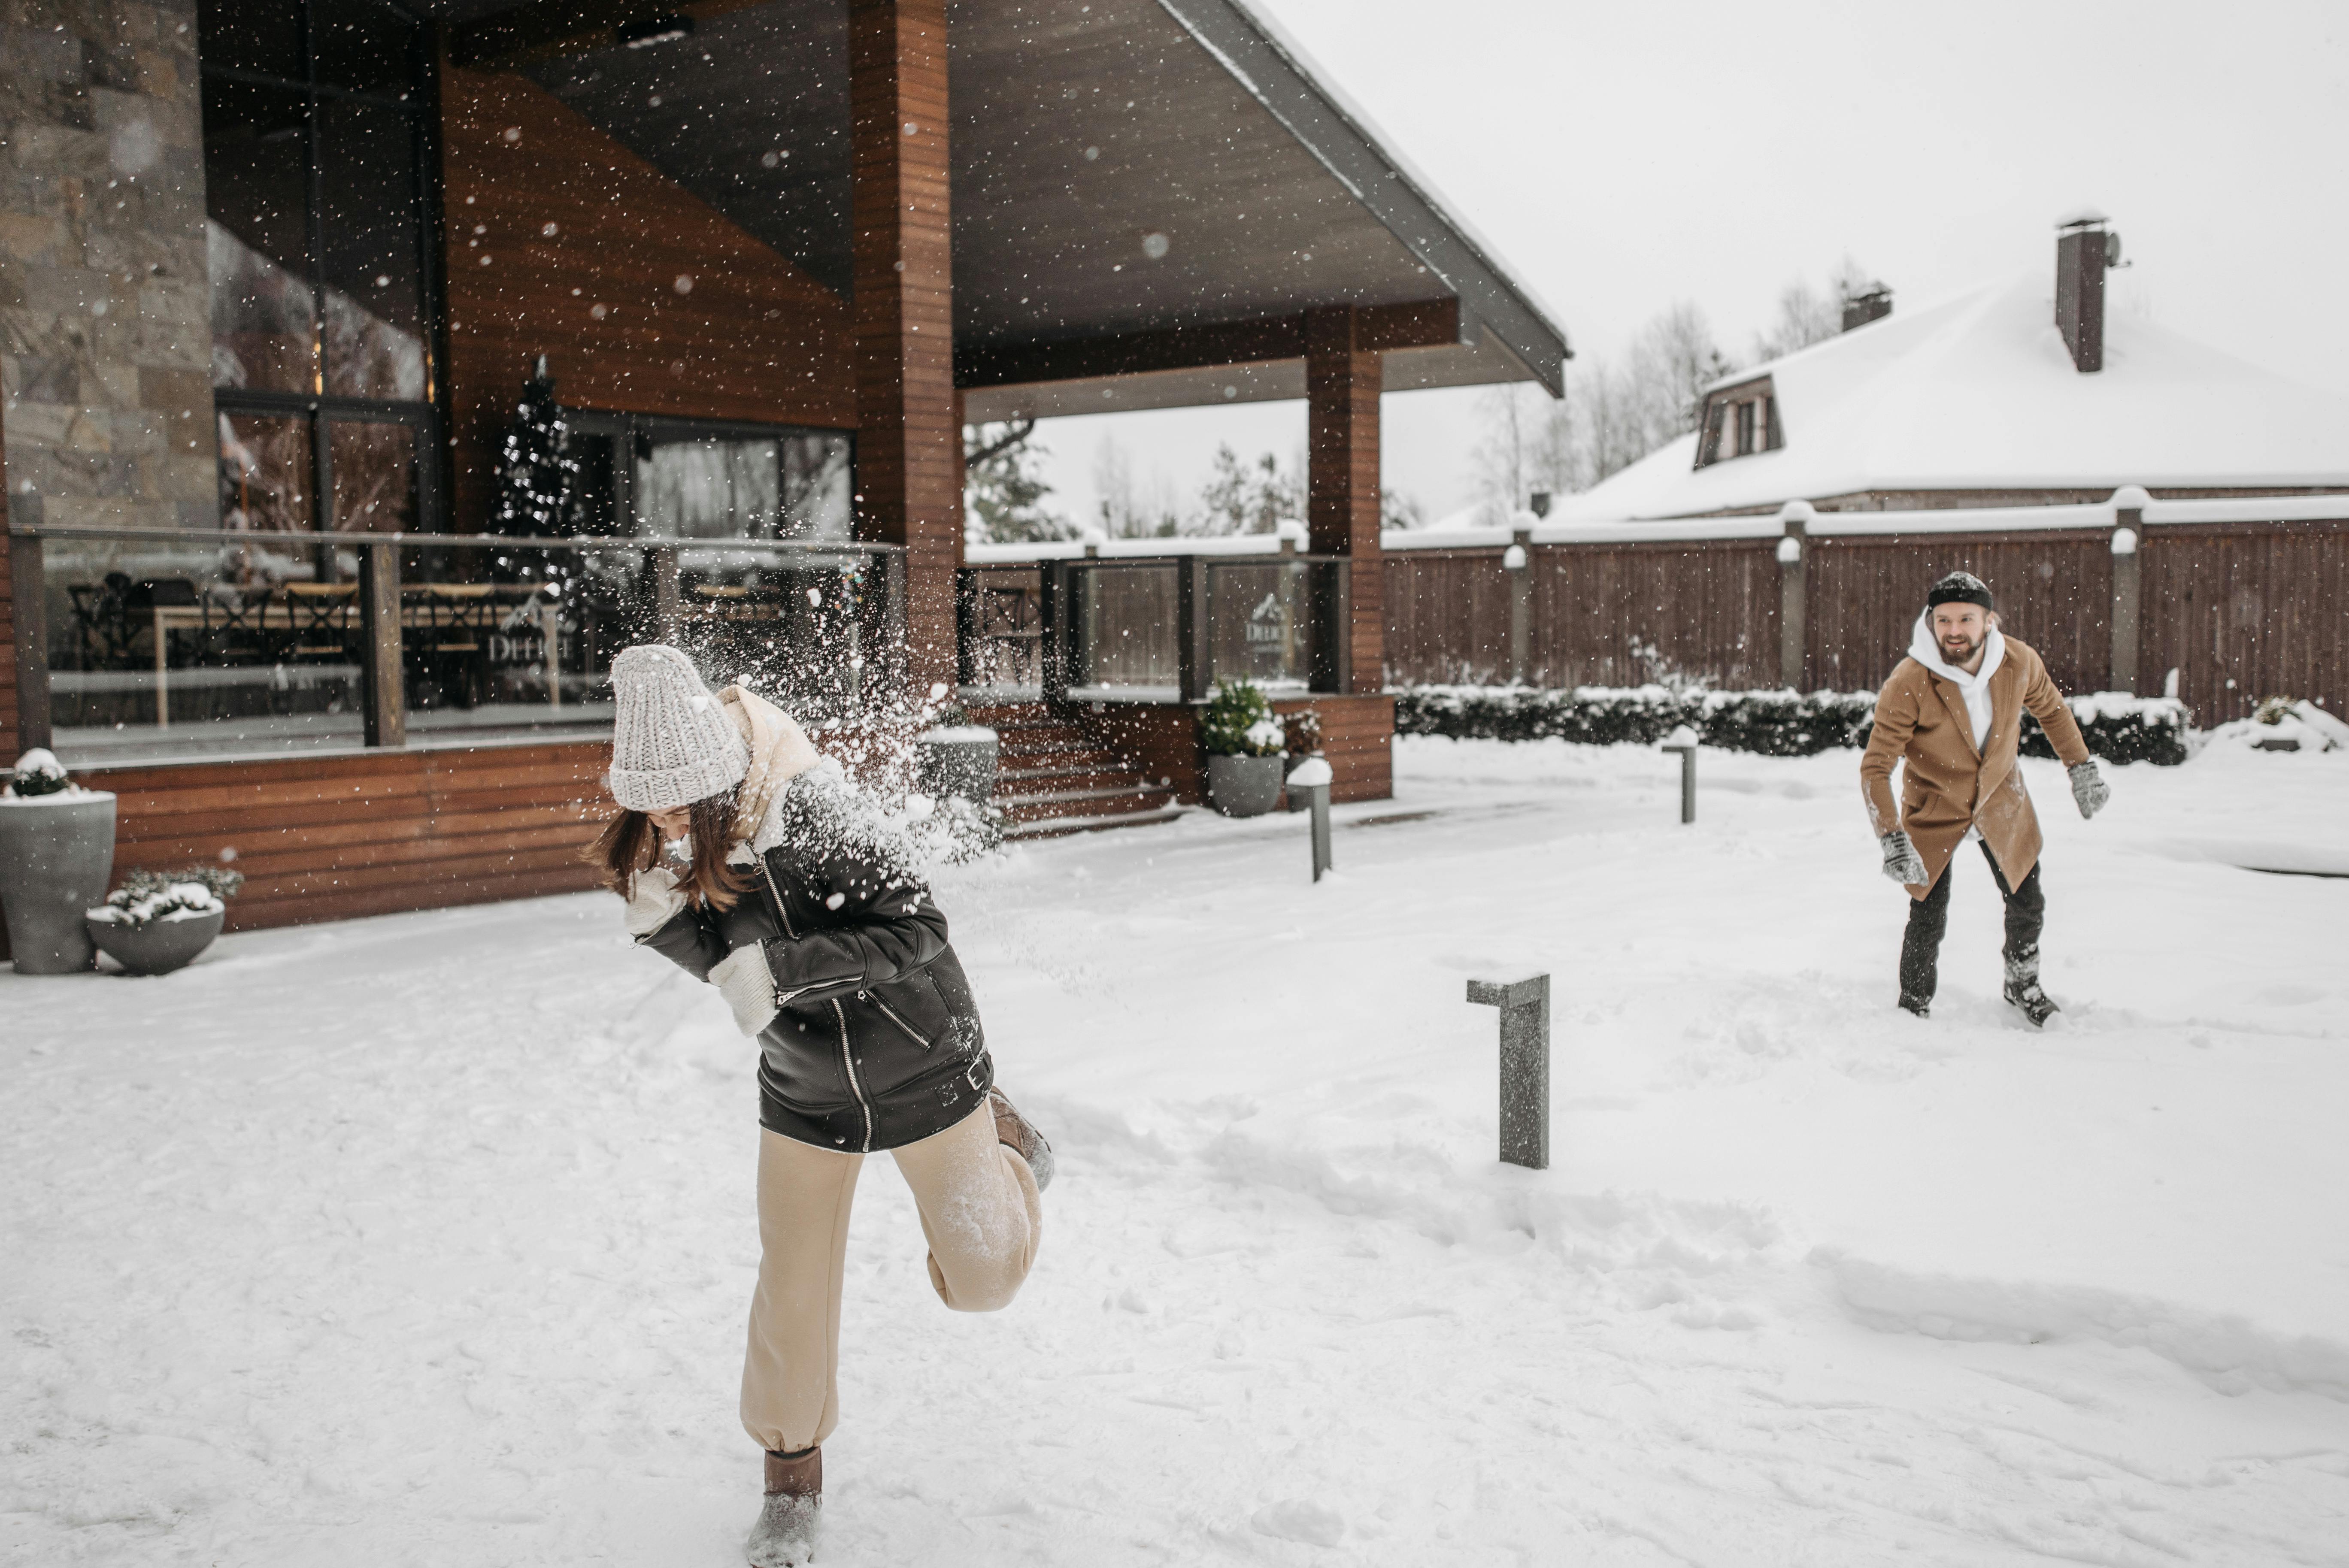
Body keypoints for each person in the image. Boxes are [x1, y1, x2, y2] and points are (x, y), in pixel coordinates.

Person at [592, 645, 1051, 1567]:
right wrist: (668, 927)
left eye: (679, 804)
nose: (667, 823)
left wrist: (786, 967)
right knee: (791, 1290)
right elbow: (731, 971)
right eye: (650, 805)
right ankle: (789, 1480)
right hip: (804, 1090)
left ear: (717, 778)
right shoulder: (673, 837)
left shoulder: (811, 807)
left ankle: (1008, 1146)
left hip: (923, 1062)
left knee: (983, 1283)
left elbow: (919, 926)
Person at [1859, 572, 2111, 1025]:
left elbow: (2053, 711)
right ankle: (1913, 1004)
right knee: (1928, 914)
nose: (1954, 631)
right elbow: (1876, 767)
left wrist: (2081, 768)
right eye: (1943, 620)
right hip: (1935, 806)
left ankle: (2022, 985)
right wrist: (1892, 839)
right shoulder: (1910, 680)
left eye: (1966, 619)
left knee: (2027, 902)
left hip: (2002, 801)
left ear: (1989, 621)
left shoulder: (2019, 662)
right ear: (1930, 622)